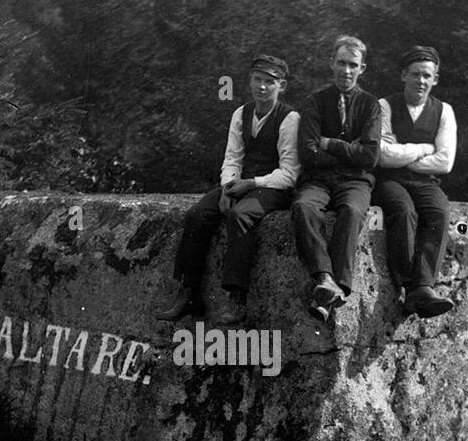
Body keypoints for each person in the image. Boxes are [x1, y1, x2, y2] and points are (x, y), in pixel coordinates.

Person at [156, 55, 299, 327]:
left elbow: (289, 174)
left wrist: (251, 183)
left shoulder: (290, 119)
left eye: (270, 82)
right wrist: (226, 188)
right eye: (257, 80)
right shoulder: (241, 114)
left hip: (273, 186)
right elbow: (233, 158)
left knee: (241, 215)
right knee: (198, 214)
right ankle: (188, 293)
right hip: (241, 183)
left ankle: (237, 297)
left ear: (282, 86)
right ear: (250, 81)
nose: (262, 87)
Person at [290, 35, 381, 323]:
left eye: (353, 65)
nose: (346, 70)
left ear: (362, 68)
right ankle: (325, 278)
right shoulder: (314, 102)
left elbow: (370, 157)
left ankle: (334, 288)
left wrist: (329, 144)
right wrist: (350, 151)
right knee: (303, 206)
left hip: (355, 181)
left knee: (352, 211)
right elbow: (307, 153)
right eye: (341, 63)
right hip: (317, 179)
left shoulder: (370, 105)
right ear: (331, 63)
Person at [372, 46, 457, 318]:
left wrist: (402, 155)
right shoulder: (384, 106)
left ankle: (423, 286)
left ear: (435, 79)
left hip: (426, 182)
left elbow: (445, 162)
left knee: (438, 211)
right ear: (403, 75)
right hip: (389, 180)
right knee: (403, 210)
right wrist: (424, 149)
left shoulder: (444, 111)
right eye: (415, 74)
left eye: (427, 76)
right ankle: (410, 285)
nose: (421, 81)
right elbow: (383, 155)